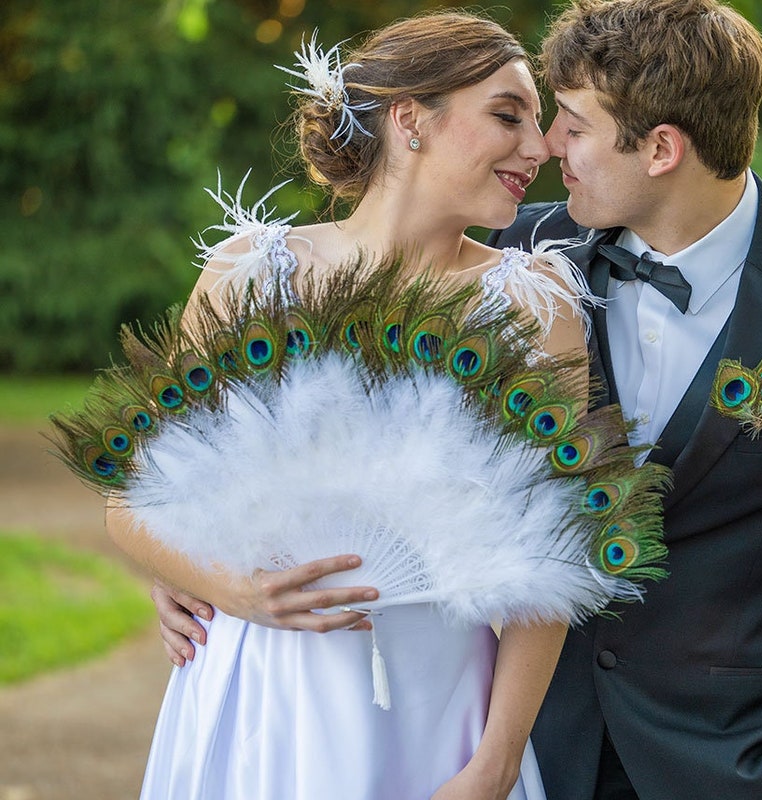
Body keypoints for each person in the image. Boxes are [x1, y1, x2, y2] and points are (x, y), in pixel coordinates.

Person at [102, 11, 651, 800]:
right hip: (256, 695)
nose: (538, 149)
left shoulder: (533, 305)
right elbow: (129, 494)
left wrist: (494, 765)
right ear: (409, 120)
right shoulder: (251, 278)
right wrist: (221, 585)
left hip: (442, 713)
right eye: (508, 117)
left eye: (540, 125)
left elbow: (554, 560)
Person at [486, 1, 762, 799]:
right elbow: (322, 366)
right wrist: (202, 554)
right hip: (528, 754)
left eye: (574, 124)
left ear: (662, 148)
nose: (548, 145)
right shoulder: (502, 258)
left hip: (739, 767)